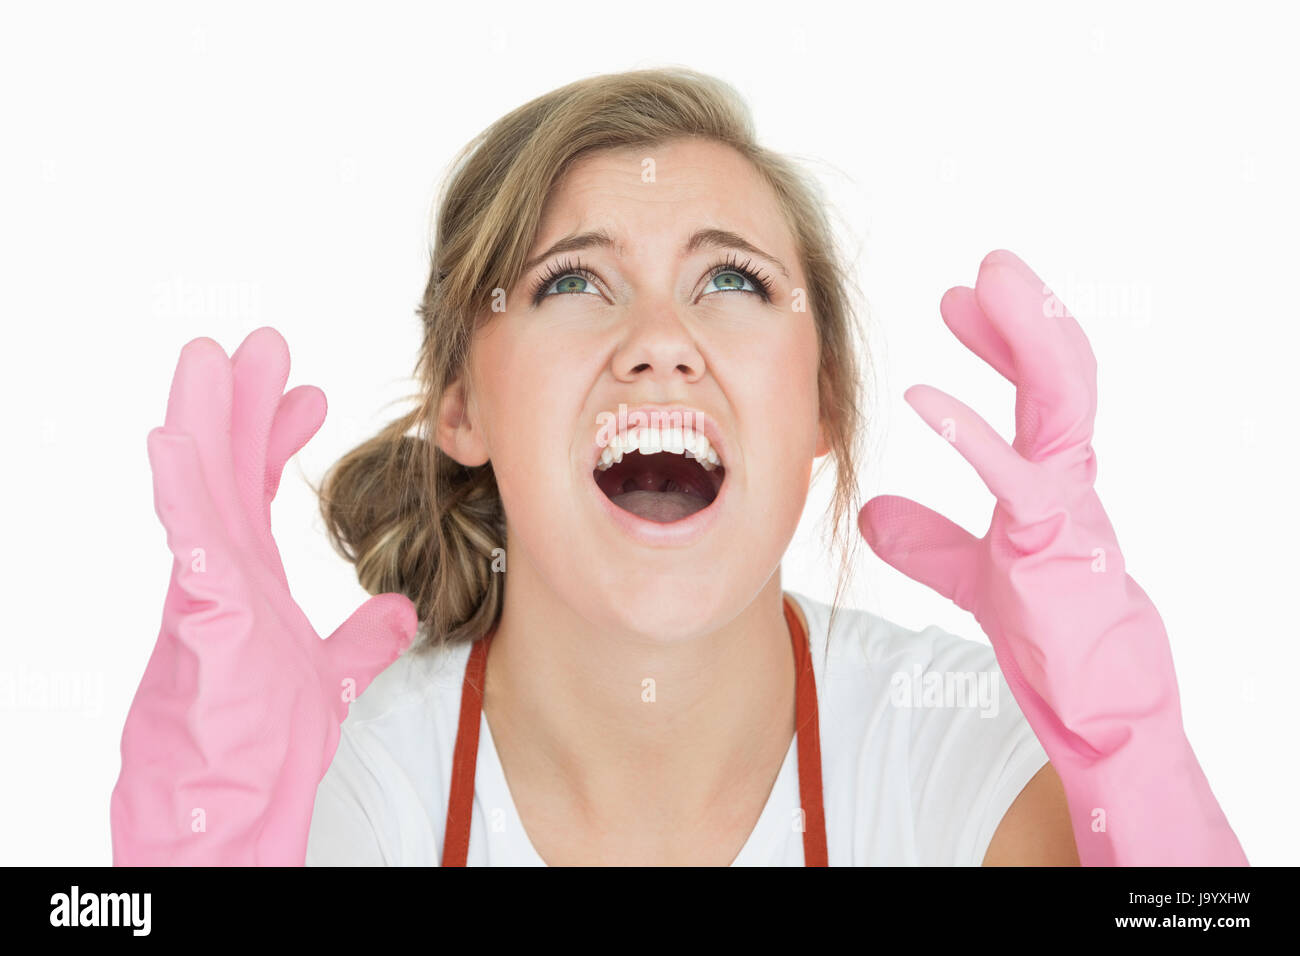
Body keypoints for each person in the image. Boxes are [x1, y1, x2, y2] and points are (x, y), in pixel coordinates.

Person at [111, 68, 1246, 867]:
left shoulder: (957, 749)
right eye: (571, 282)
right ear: (462, 405)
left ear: (822, 408)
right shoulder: (344, 780)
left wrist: (1135, 765)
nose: (659, 335)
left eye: (733, 281)